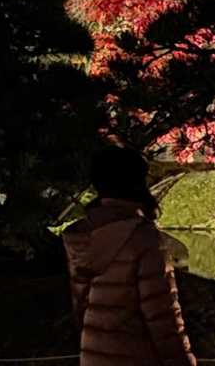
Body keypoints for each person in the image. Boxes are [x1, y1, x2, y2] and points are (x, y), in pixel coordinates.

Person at [61, 146, 196, 366]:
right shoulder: (142, 238)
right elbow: (162, 317)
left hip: (94, 355)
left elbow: (81, 309)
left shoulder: (82, 236)